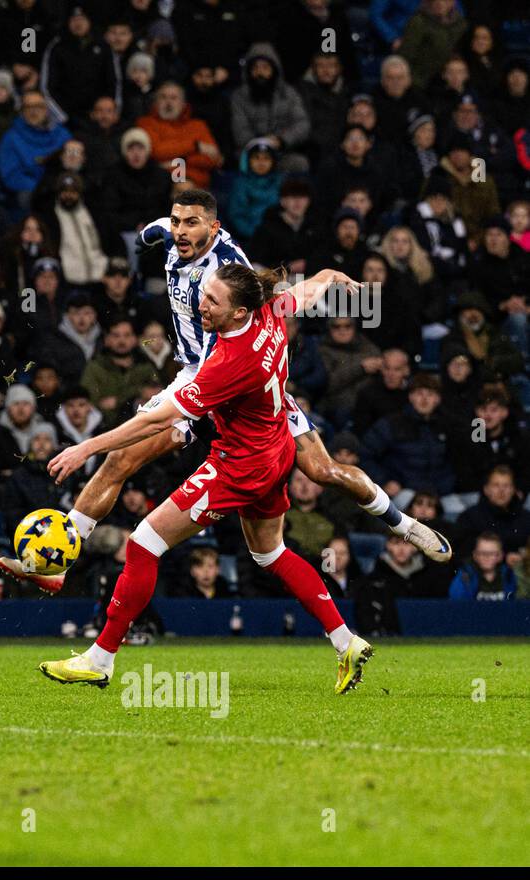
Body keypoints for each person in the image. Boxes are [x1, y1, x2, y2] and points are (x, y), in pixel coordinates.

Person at [0, 190, 451, 599]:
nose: (179, 231)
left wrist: (104, 441)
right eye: (176, 222)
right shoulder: (175, 235)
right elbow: (158, 233)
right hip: (201, 376)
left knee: (321, 469)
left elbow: (270, 311)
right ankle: (60, 562)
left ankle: (406, 525)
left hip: (231, 385)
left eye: (189, 224)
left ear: (213, 229)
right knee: (120, 461)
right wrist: (327, 276)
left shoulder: (224, 275)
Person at [40, 265, 375, 694]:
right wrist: (331, 274)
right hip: (276, 450)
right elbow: (306, 294)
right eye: (203, 293)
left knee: (143, 543)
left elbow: (155, 421)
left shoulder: (229, 363)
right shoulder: (269, 312)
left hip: (240, 465)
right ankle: (346, 641)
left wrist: (87, 447)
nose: (201, 304)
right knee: (271, 555)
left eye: (213, 300)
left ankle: (100, 659)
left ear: (238, 314)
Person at [448, 532, 516, 600]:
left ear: (500, 556)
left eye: (491, 553)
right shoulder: (466, 574)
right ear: (475, 555)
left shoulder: (508, 574)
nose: (487, 557)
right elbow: (457, 601)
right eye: (482, 553)